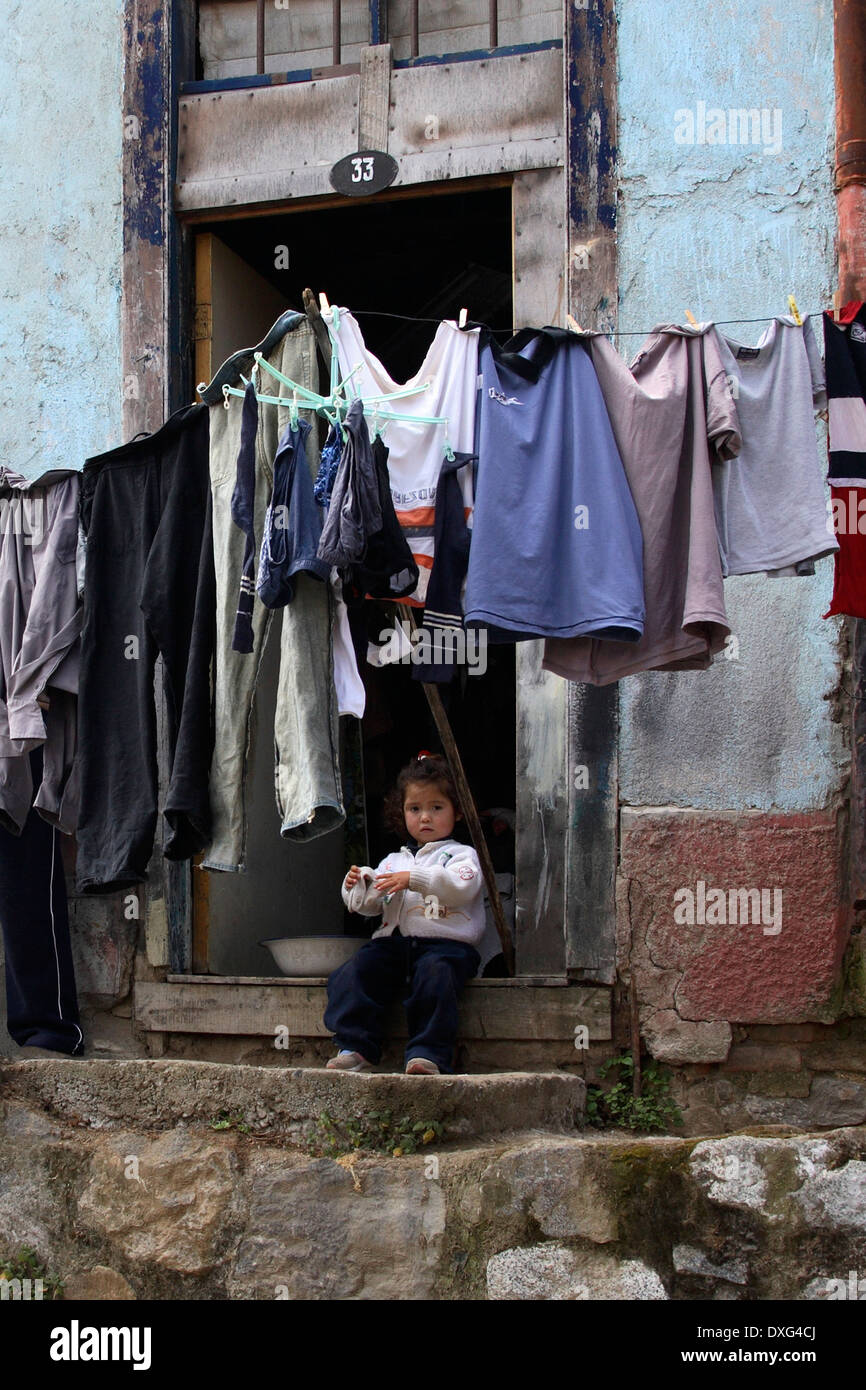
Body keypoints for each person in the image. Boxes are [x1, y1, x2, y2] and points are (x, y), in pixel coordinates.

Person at [323, 752, 484, 1074]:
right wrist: (358, 886)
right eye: (415, 809)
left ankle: (428, 1053)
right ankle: (356, 1046)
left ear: (458, 811)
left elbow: (460, 887)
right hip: (394, 946)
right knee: (355, 970)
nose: (425, 817)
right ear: (402, 812)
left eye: (436, 808)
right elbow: (370, 906)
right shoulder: (392, 862)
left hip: (446, 947)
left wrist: (415, 879)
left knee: (435, 978)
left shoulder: (462, 855)